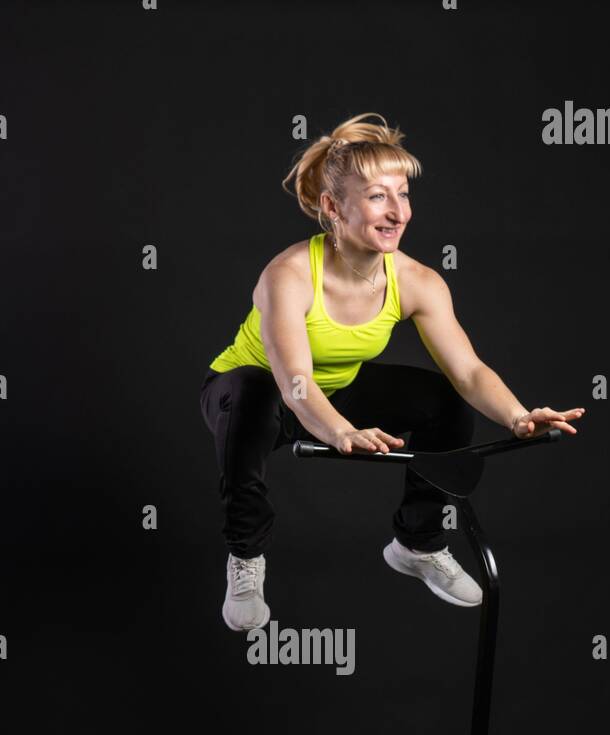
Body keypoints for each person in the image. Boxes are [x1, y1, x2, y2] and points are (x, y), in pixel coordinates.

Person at [200, 113, 584, 632]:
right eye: (379, 196)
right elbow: (294, 383)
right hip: (259, 394)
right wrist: (341, 432)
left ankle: (417, 542)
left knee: (445, 399)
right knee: (251, 389)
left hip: (334, 389)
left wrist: (518, 416)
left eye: (403, 195)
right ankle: (245, 557)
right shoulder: (288, 275)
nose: (398, 211)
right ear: (333, 207)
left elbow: (469, 370)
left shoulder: (417, 281)